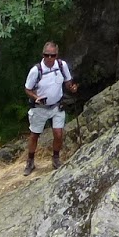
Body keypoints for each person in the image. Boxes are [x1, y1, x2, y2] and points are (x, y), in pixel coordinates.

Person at [23, 42, 78, 175]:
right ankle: (30, 161)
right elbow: (27, 89)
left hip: (57, 105)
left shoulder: (61, 65)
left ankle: (56, 158)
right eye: (46, 55)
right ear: (43, 55)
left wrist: (72, 88)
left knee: (58, 134)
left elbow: (67, 81)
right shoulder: (36, 70)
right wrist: (35, 97)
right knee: (35, 135)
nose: (49, 58)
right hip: (39, 107)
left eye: (52, 55)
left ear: (56, 55)